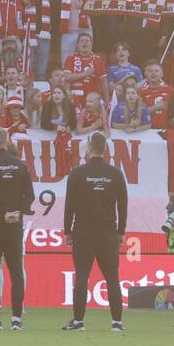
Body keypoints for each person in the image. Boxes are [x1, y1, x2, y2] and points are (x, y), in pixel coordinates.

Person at [62, 132, 127, 332]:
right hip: (107, 232)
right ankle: (117, 323)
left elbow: (69, 205)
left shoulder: (77, 173)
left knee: (82, 275)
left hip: (83, 231)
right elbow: (123, 206)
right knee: (112, 277)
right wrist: (120, 231)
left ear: (89, 149)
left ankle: (78, 321)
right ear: (105, 149)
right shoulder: (115, 174)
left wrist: (68, 230)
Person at [0, 127, 36, 330]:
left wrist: (2, 213)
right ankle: (17, 319)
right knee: (16, 271)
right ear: (8, 141)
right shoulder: (20, 165)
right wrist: (17, 211)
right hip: (14, 225)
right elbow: (30, 195)